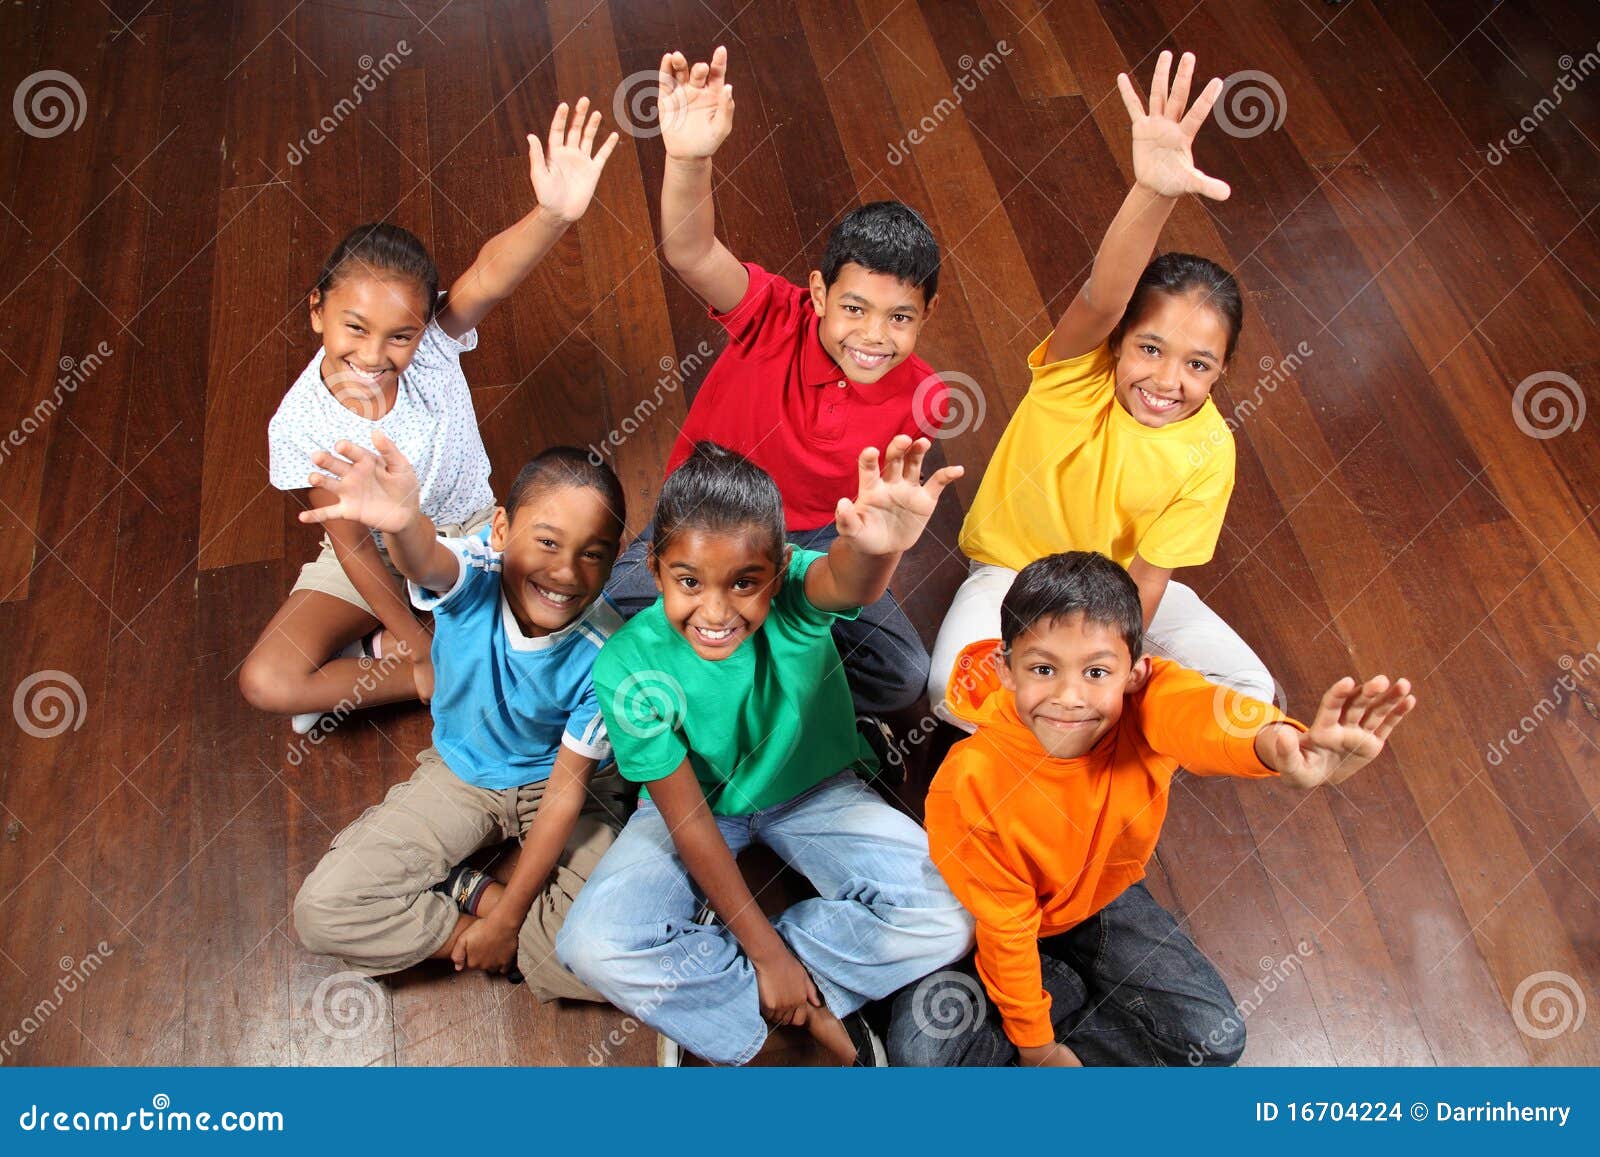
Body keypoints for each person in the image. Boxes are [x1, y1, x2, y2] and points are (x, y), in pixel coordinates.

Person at [890, 551, 1416, 1066]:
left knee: (1215, 1041)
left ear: (1136, 673)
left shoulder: (1152, 700)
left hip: (1101, 897)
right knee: (922, 1054)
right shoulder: (969, 784)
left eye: (1097, 672)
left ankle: (1059, 1000)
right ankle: (1054, 1006)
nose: (1070, 696)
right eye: (1043, 668)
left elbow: (1204, 716)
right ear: (1005, 670)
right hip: (986, 924)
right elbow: (1005, 930)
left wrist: (1278, 744)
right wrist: (1038, 1047)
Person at [557, 438, 976, 1065]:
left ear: (779, 570)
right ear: (654, 566)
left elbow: (848, 581)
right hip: (700, 806)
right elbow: (690, 821)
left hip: (815, 791)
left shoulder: (796, 595)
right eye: (689, 581)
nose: (717, 610)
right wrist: (767, 956)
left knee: (952, 914)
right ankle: (805, 1001)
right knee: (591, 945)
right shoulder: (627, 665)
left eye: (745, 583)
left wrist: (880, 547)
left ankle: (718, 986)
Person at [241, 100, 619, 734]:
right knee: (267, 678)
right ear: (317, 311)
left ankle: (369, 665)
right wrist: (419, 651)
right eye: (354, 328)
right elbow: (356, 549)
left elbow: (490, 275)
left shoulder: (438, 345)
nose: (372, 354)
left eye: (399, 336)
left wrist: (553, 213)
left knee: (566, 629)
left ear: (424, 328)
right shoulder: (299, 424)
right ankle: (409, 667)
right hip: (377, 559)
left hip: (467, 534)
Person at [603, 45, 949, 724]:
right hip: (710, 517)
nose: (873, 336)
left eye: (900, 317)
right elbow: (690, 250)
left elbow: (870, 526)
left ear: (926, 316)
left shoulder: (926, 396)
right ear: (818, 293)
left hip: (815, 542)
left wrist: (863, 545)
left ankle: (754, 678)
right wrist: (690, 156)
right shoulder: (770, 314)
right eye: (854, 308)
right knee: (612, 617)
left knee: (903, 676)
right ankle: (748, 673)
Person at [929, 51, 1275, 720]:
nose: (1168, 380)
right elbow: (1103, 292)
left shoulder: (1210, 452)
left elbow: (1147, 579)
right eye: (1150, 348)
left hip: (1112, 596)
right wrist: (1154, 191)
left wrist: (1105, 664)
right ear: (1115, 342)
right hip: (1015, 576)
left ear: (1221, 372)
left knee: (1252, 695)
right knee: (951, 693)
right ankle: (1072, 712)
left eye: (1198, 365)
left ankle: (1081, 706)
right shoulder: (1075, 372)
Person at [290, 433, 630, 1002]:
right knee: (323, 912)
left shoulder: (608, 654)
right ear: (500, 532)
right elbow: (429, 558)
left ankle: (477, 898)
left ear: (613, 559)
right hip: (462, 774)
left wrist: (505, 920)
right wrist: (401, 524)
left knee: (581, 964)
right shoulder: (475, 569)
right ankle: (483, 908)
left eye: (592, 554)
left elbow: (564, 798)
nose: (566, 572)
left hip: (565, 784)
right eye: (546, 542)